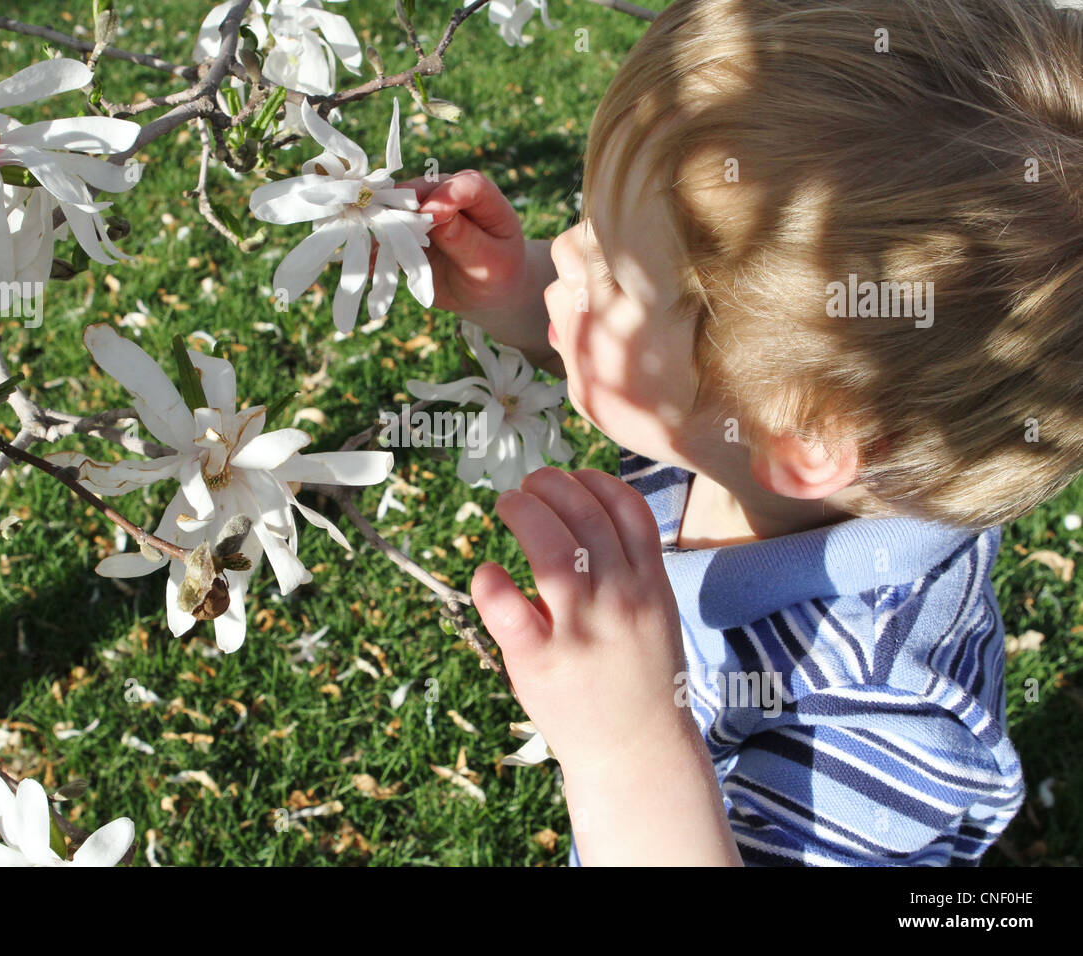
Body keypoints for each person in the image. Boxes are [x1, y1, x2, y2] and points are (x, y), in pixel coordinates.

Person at [389, 0, 1083, 864]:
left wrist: (629, 752)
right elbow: (653, 369)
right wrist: (514, 290)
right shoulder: (753, 431)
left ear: (798, 435)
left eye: (614, 265)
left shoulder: (874, 713)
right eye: (587, 219)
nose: (566, 251)